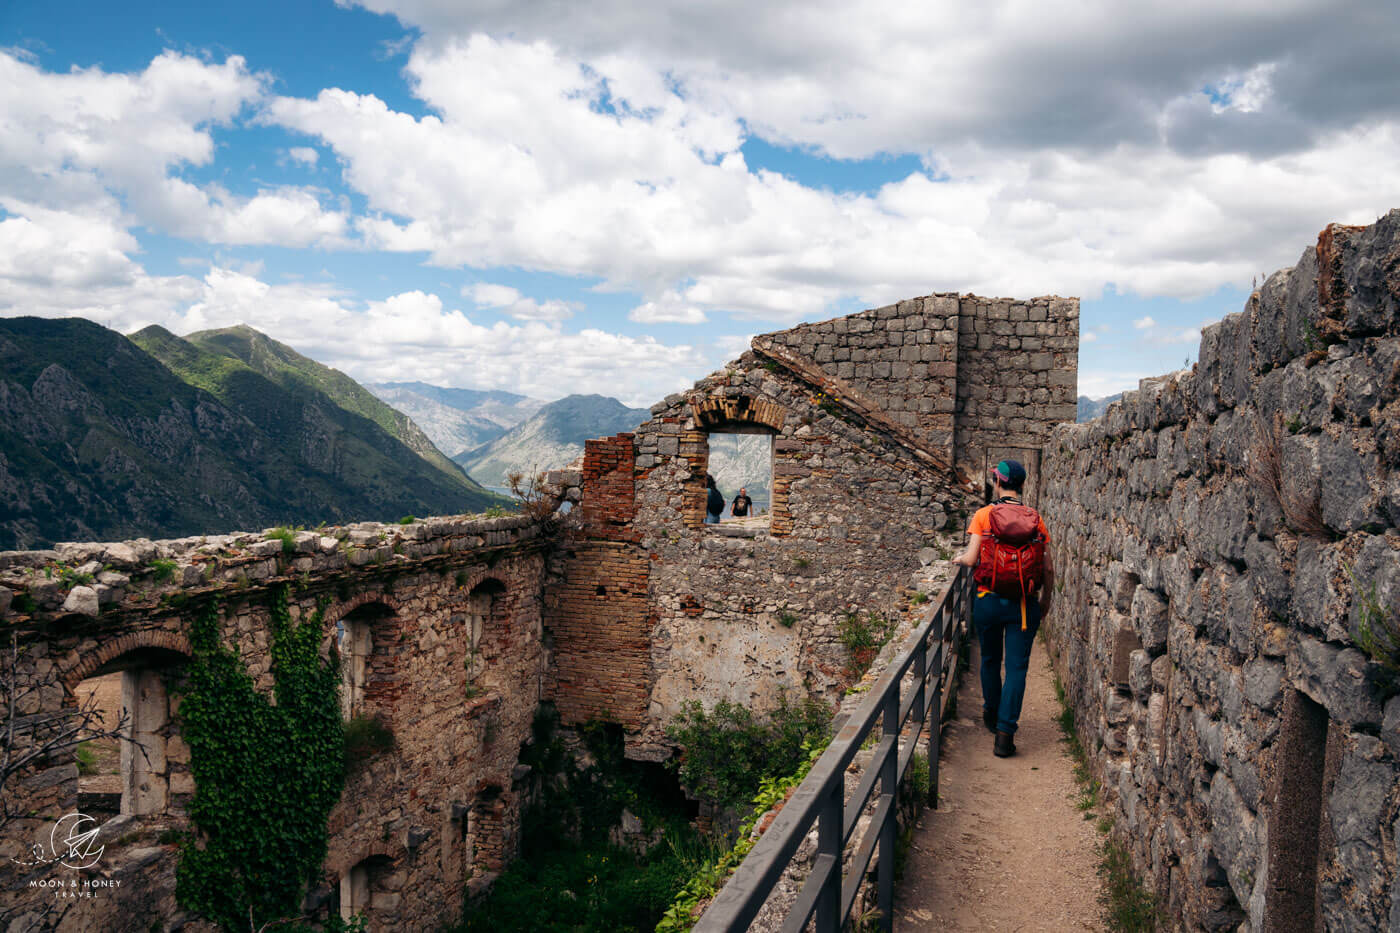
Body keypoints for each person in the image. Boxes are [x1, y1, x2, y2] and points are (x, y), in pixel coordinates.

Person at [952, 459, 1054, 757]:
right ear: (1023, 485)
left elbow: (971, 559)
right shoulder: (1036, 518)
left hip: (988, 600)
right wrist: (1044, 603)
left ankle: (991, 713)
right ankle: (1005, 735)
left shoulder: (984, 515)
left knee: (989, 660)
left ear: (997, 482)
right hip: (1023, 606)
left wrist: (958, 559)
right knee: (1017, 669)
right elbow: (1047, 568)